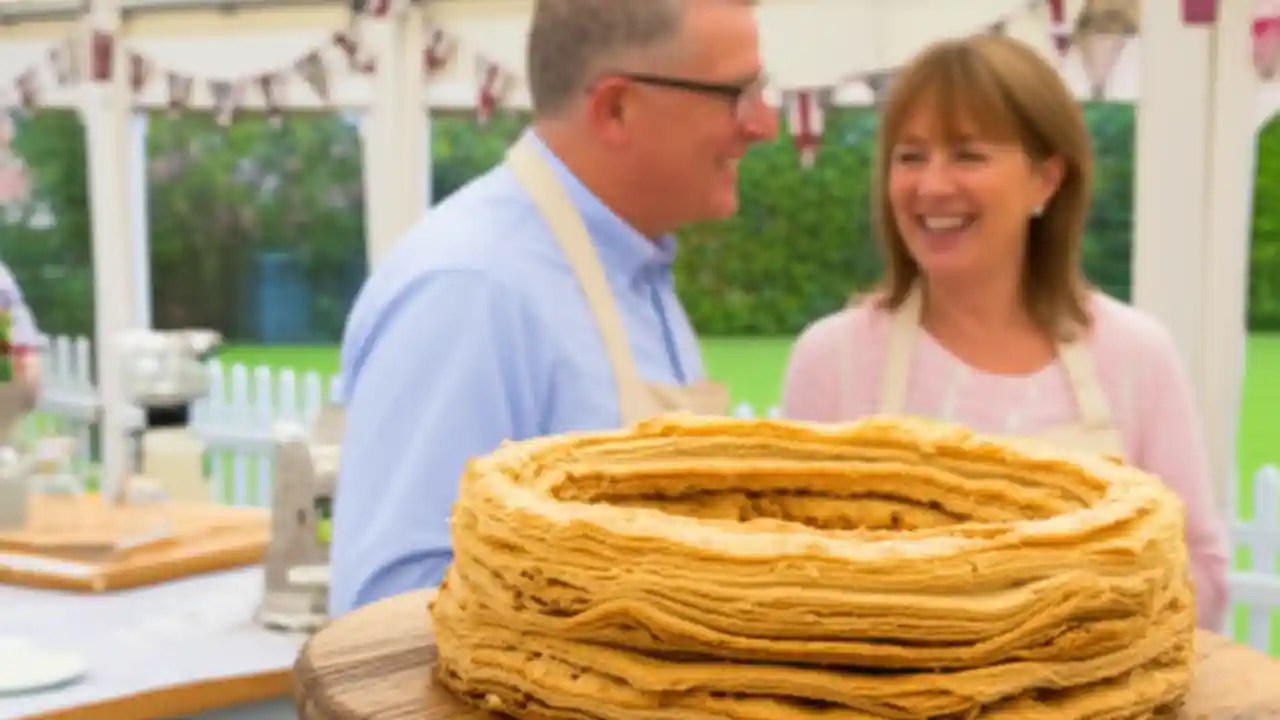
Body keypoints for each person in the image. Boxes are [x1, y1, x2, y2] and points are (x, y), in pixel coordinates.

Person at [329, 0, 775, 615]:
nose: (764, 123)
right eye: (737, 93)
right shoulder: (471, 287)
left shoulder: (633, 271)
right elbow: (386, 609)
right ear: (617, 108)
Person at [780, 34, 1230, 630]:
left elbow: (1200, 569)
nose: (932, 186)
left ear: (1046, 180)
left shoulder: (1134, 355)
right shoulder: (833, 359)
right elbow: (792, 578)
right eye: (910, 156)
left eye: (968, 155)